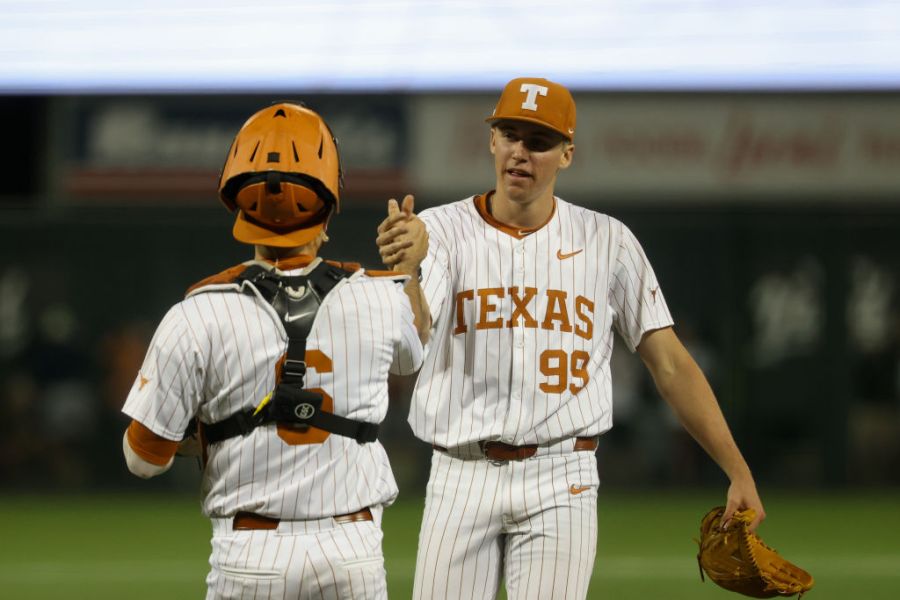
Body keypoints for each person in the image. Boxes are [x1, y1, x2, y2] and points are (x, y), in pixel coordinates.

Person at [376, 77, 765, 600]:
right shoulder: (440, 231)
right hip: (460, 471)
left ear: (567, 154)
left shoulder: (609, 242)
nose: (520, 151)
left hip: (563, 474)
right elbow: (412, 344)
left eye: (538, 141)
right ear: (491, 140)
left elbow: (670, 364)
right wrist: (410, 272)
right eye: (510, 134)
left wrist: (736, 468)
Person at [122, 102, 429, 599]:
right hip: (352, 551)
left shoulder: (197, 312)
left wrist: (203, 433)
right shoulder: (378, 296)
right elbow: (414, 351)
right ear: (328, 206)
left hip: (251, 555)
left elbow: (143, 459)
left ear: (237, 204)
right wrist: (409, 270)